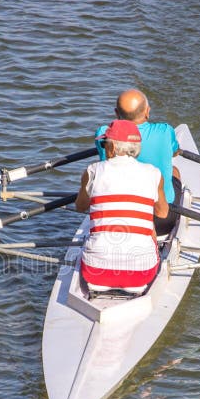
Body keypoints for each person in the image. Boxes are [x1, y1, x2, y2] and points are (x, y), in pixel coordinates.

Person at [76, 120, 168, 292]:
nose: (104, 148)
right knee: (151, 226)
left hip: (95, 272)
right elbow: (163, 212)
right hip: (142, 273)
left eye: (104, 144)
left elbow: (80, 207)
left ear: (112, 147)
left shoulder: (93, 170)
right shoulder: (154, 173)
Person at [95, 89, 182, 235]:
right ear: (147, 111)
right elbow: (175, 152)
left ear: (116, 114)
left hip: (118, 220)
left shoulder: (104, 134)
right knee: (174, 171)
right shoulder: (165, 131)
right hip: (162, 219)